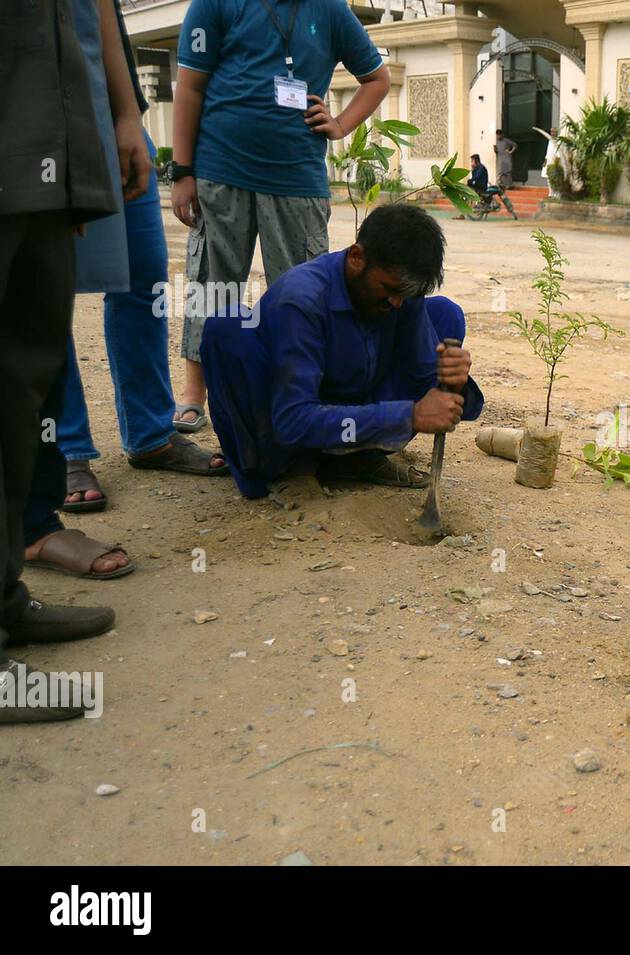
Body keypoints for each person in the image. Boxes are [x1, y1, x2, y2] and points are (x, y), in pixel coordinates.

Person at [1, 0, 139, 722]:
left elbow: (73, 29)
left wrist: (78, 168)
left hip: (38, 164)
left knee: (20, 389)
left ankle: (4, 602)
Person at [169, 0, 392, 435]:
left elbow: (377, 78)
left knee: (302, 294)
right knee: (212, 283)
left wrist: (342, 124)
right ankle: (195, 393)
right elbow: (190, 86)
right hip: (220, 170)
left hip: (296, 179)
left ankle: (296, 396)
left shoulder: (330, 11)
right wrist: (182, 171)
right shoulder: (216, 4)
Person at [47, 0, 228, 521]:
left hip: (109, 118)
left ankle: (149, 433)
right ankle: (66, 449)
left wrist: (128, 115)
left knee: (143, 275)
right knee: (48, 284)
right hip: (39, 125)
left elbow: (100, 9)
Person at [200, 204, 484, 502]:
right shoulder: (302, 300)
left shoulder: (400, 295)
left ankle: (357, 458)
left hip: (349, 417)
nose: (397, 303)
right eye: (389, 289)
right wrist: (408, 416)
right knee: (228, 327)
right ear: (357, 258)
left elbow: (433, 393)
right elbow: (292, 421)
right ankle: (287, 469)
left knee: (444, 314)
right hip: (290, 425)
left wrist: (453, 382)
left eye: (405, 293)